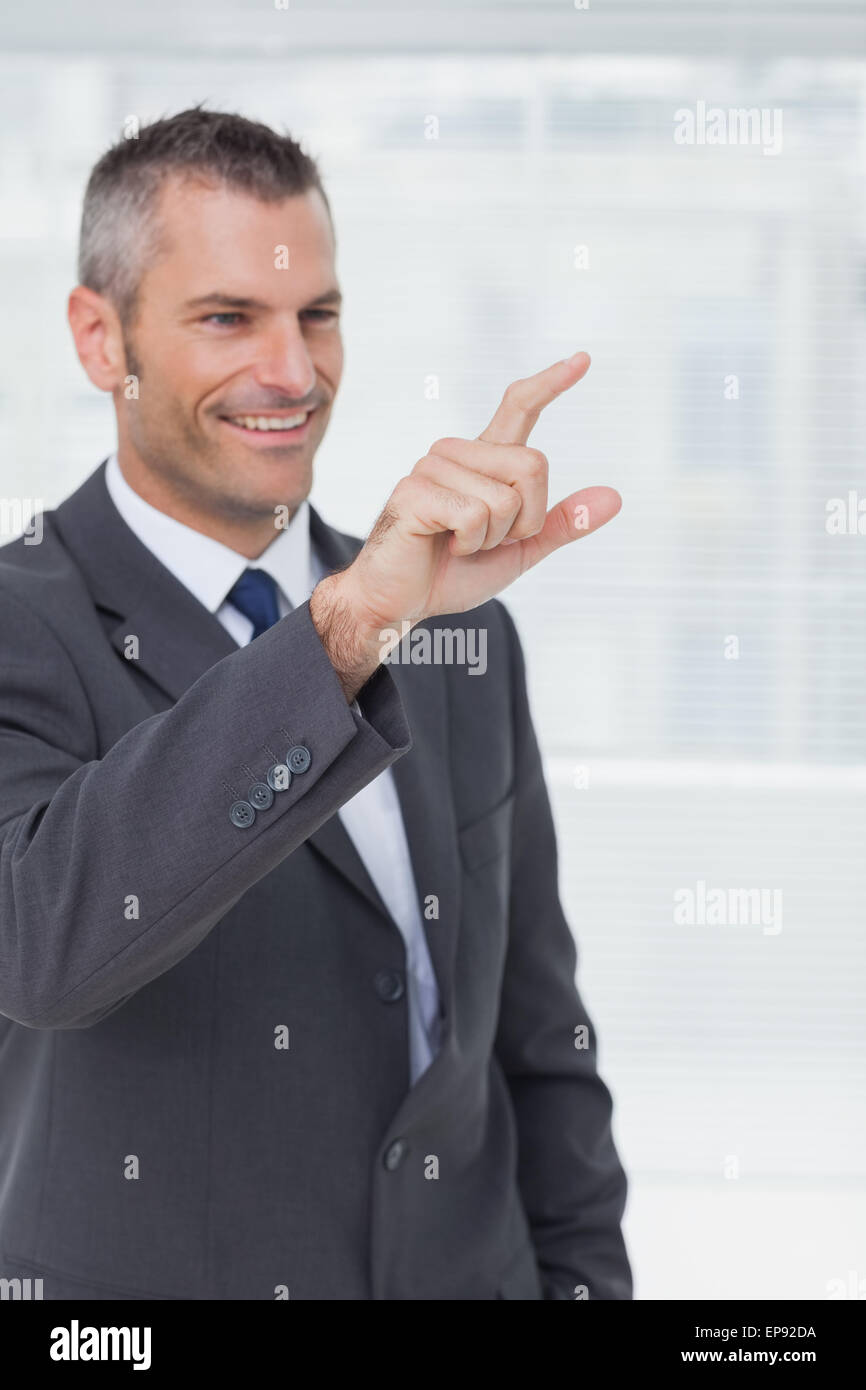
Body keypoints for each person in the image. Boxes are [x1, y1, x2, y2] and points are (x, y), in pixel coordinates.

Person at [0, 108, 631, 1301]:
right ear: (100, 337)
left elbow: (534, 1044)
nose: (292, 372)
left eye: (317, 315)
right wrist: (341, 636)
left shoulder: (460, 632)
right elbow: (41, 946)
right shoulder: (23, 617)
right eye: (227, 318)